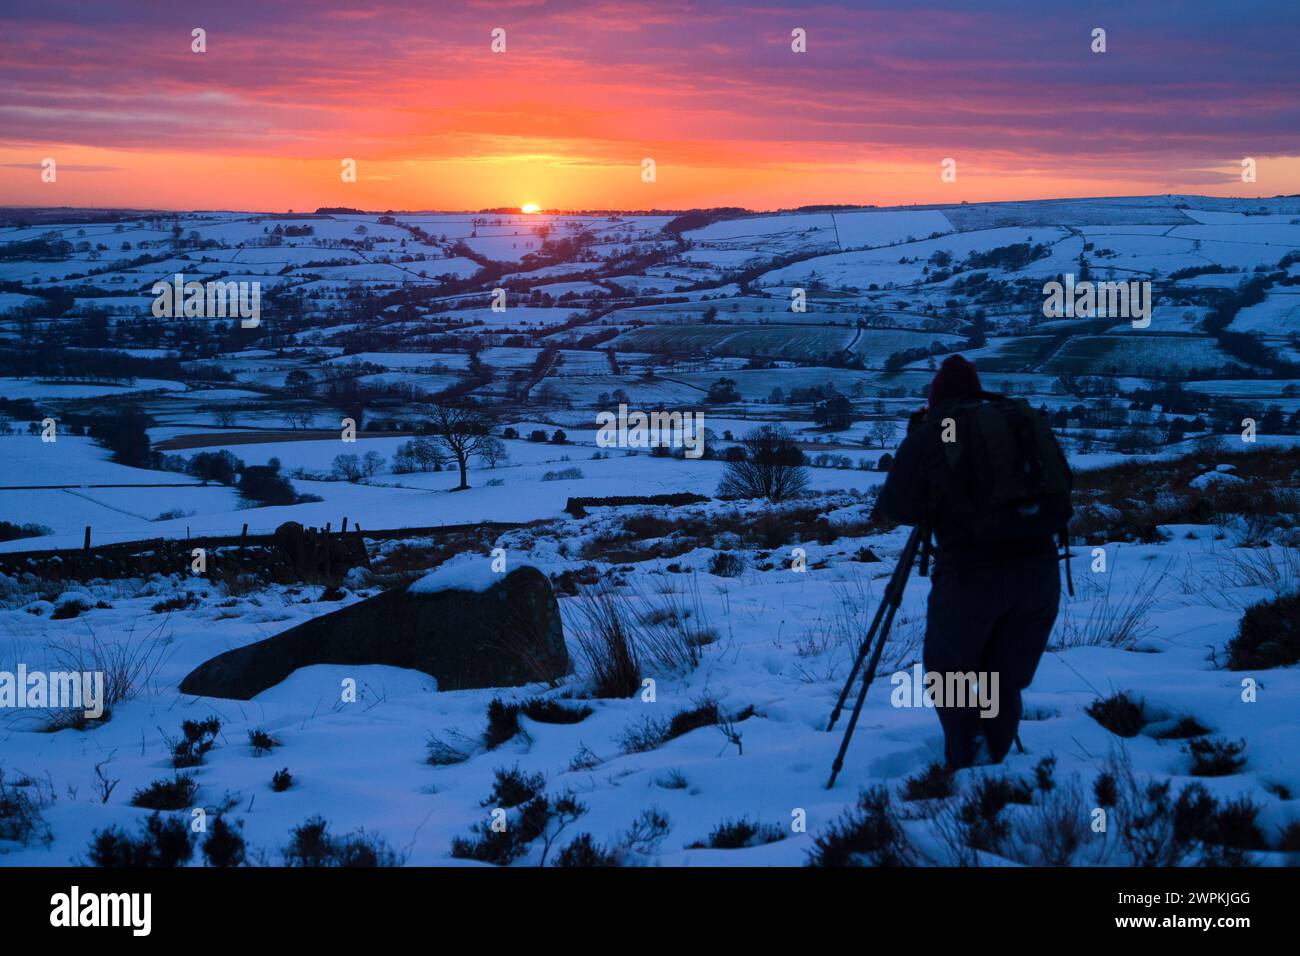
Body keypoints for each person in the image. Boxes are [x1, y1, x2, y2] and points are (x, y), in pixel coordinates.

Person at [872, 355, 1071, 769]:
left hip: (972, 574)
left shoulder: (936, 431)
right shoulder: (1016, 421)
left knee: (951, 674)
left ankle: (970, 770)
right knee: (1004, 678)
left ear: (935, 398)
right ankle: (993, 769)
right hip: (1040, 569)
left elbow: (897, 507)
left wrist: (924, 453)